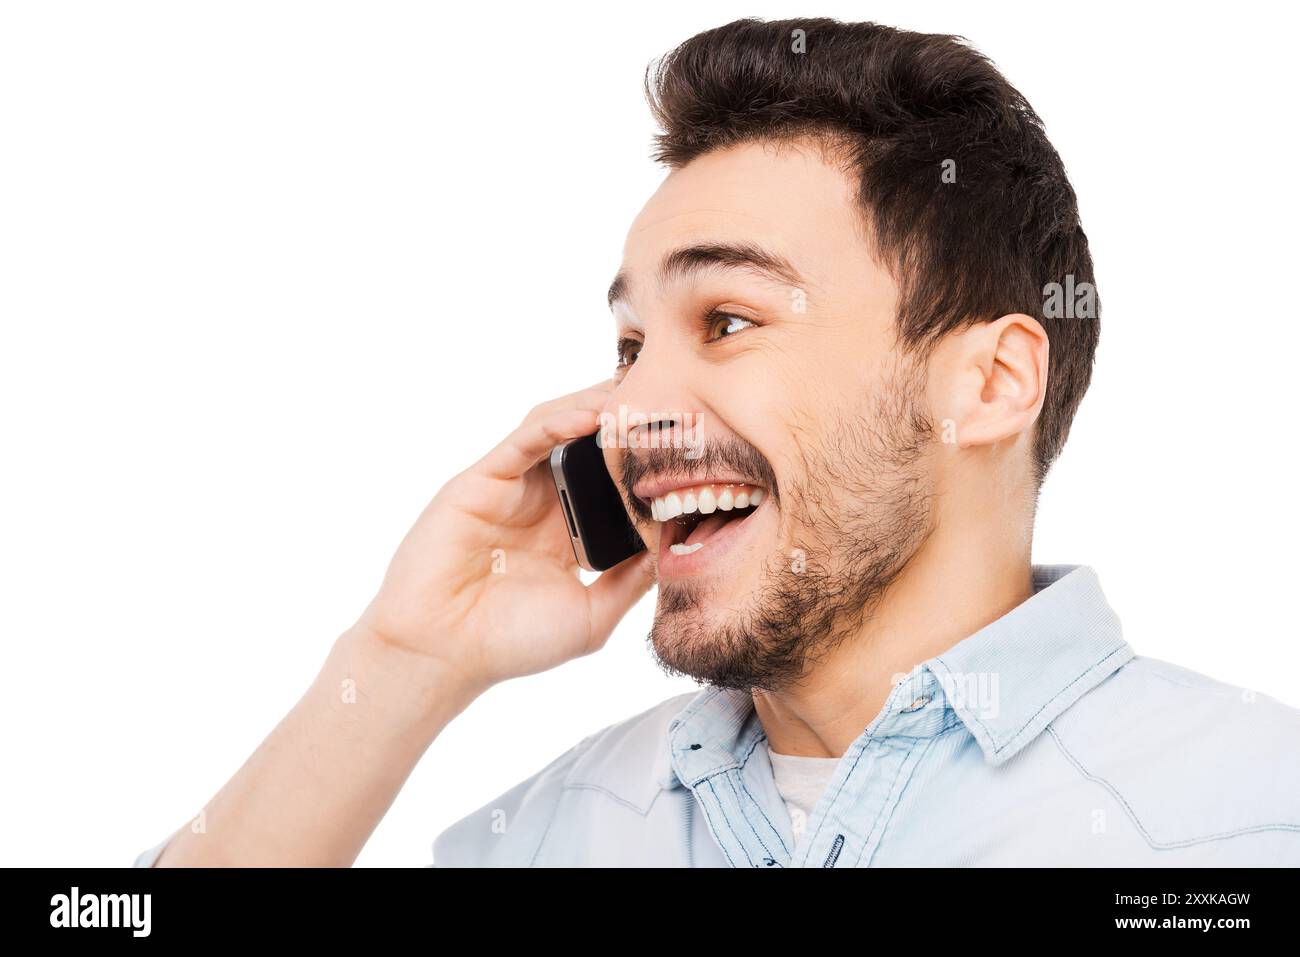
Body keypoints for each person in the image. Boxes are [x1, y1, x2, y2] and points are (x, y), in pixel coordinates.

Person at [133, 17, 1300, 868]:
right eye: (632, 342)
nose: (631, 413)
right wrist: (402, 663)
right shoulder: (544, 837)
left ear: (989, 383)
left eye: (726, 320)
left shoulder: (1251, 815)